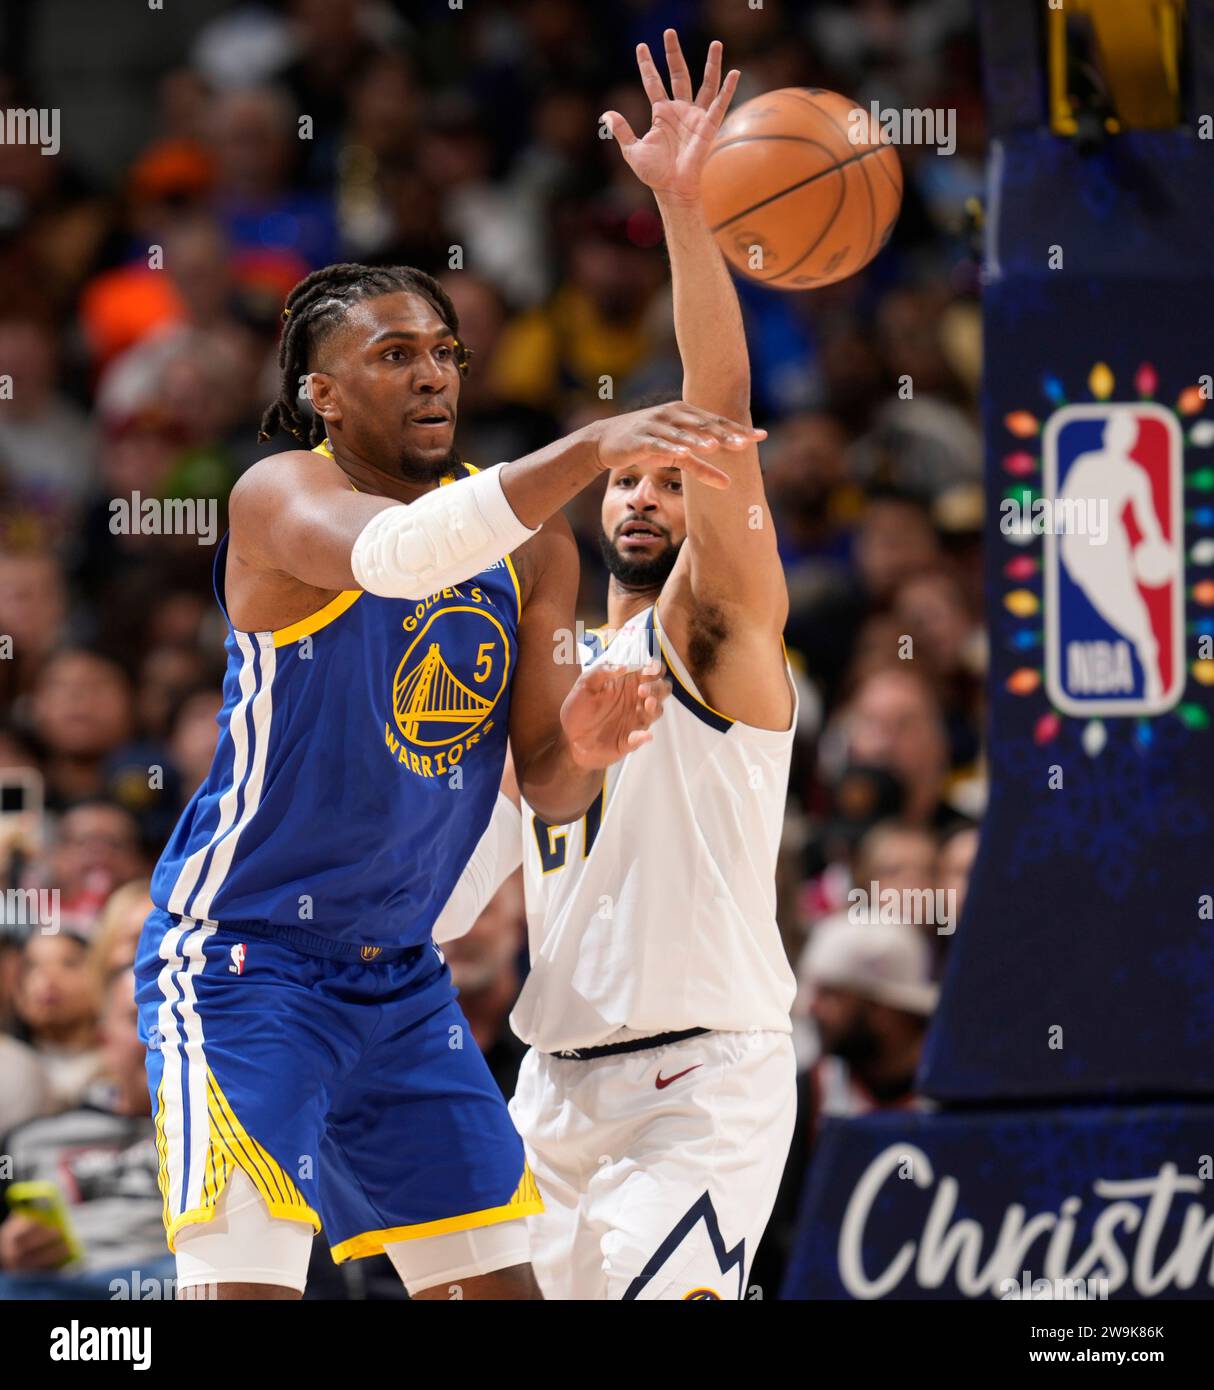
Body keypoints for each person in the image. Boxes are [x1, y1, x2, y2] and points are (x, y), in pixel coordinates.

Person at [136, 255, 762, 1302]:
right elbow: (397, 556)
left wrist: (588, 753)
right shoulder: (281, 496)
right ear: (319, 394)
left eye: (443, 352)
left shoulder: (530, 547)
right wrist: (587, 446)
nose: (432, 374)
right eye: (393, 355)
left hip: (400, 979)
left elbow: (550, 788)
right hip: (246, 966)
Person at [436, 32, 797, 1301]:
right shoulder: (548, 659)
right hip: (549, 1082)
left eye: (666, 476)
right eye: (623, 475)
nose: (642, 493)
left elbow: (721, 398)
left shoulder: (716, 634)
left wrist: (682, 207)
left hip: (701, 1079)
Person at [0, 964, 170, 1300]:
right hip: (54, 1287)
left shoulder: (223, 1135)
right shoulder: (30, 1139)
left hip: (172, 1280)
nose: (159, 1035)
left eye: (170, 1017)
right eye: (138, 1017)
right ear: (104, 1038)